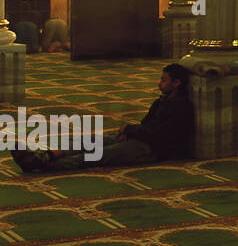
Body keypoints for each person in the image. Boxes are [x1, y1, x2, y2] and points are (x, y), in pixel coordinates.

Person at [11, 63, 195, 173]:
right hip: (141, 140)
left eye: (163, 80)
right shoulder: (161, 101)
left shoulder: (181, 108)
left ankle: (44, 165)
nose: (159, 83)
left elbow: (159, 135)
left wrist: (130, 131)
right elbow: (146, 125)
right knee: (88, 140)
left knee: (94, 156)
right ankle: (47, 155)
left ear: (176, 83)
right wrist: (130, 133)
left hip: (152, 150)